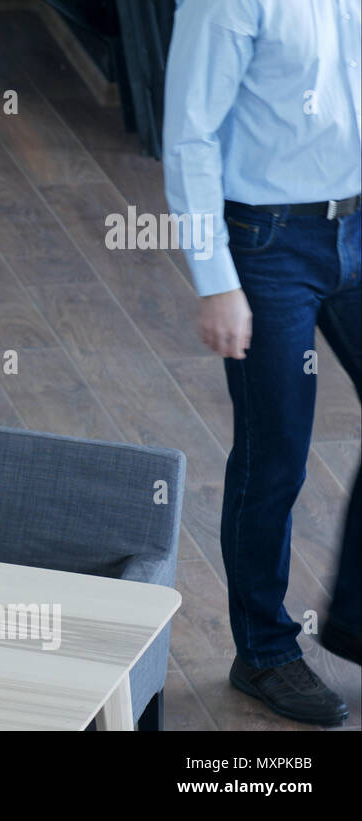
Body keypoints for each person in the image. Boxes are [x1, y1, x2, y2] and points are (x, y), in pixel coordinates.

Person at [163, 0, 360, 726]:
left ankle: (358, 622)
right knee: (276, 450)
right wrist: (217, 280)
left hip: (359, 222)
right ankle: (265, 651)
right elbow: (189, 134)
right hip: (269, 241)